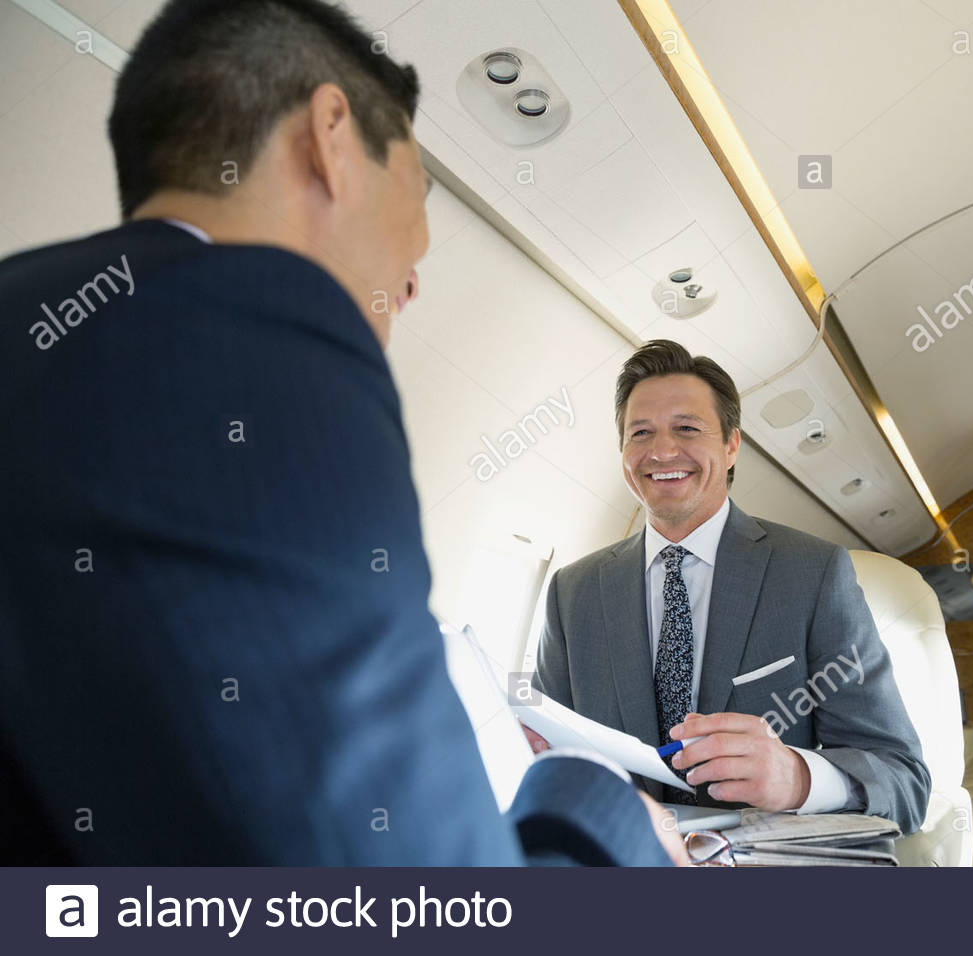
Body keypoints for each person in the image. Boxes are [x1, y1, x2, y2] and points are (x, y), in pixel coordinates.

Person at [0, 0, 685, 867]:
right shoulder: (262, 337)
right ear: (330, 137)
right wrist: (608, 818)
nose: (414, 278)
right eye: (417, 188)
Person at [527, 340, 930, 832]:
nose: (662, 451)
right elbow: (546, 750)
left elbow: (903, 780)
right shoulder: (572, 593)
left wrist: (798, 778)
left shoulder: (812, 573)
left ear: (732, 444)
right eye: (641, 433)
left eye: (687, 428)